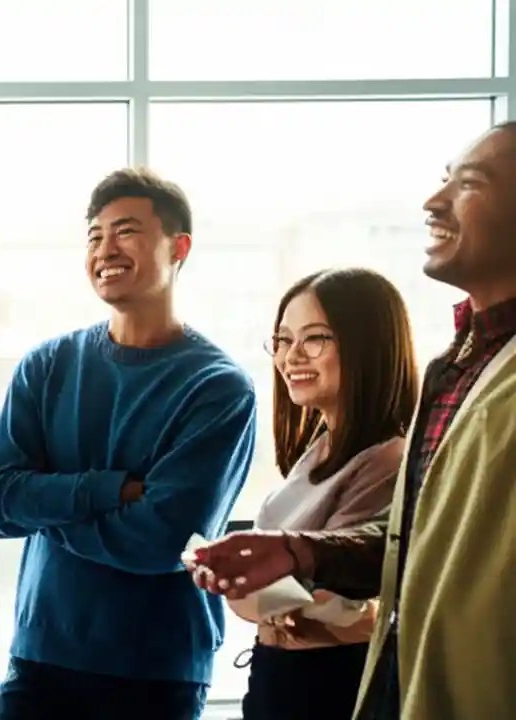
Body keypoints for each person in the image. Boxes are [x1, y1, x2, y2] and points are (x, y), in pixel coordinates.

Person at [188, 122, 516, 720]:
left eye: (467, 183)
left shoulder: (402, 437)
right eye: (284, 340)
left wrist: (301, 585)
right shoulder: (460, 363)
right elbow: (411, 542)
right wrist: (295, 553)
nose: (431, 203)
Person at [0, 168, 258, 719]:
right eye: (95, 235)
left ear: (180, 247)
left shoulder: (219, 386)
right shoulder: (47, 366)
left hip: (156, 671)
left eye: (126, 231)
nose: (106, 248)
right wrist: (112, 489)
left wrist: (46, 502)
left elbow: (164, 536)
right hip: (40, 659)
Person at [234, 268, 418, 719]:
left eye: (314, 338)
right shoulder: (320, 446)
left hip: (330, 685)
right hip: (280, 675)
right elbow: (295, 603)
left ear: (367, 348)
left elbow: (346, 609)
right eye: (283, 339)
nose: (290, 356)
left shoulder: (387, 460)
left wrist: (252, 590)